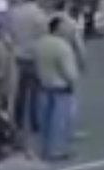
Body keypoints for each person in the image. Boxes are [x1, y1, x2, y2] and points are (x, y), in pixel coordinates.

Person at [32, 18, 79, 161]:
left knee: (45, 121)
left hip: (43, 86)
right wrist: (72, 84)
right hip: (60, 87)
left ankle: (44, 149)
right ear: (58, 29)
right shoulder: (62, 46)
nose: (69, 31)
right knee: (59, 122)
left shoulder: (39, 43)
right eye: (67, 28)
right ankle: (56, 151)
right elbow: (68, 71)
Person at [4, 0, 48, 132]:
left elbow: (8, 33)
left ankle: (18, 119)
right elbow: (44, 36)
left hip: (19, 54)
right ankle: (35, 122)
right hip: (34, 55)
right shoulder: (39, 15)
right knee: (36, 91)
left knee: (21, 90)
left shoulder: (15, 13)